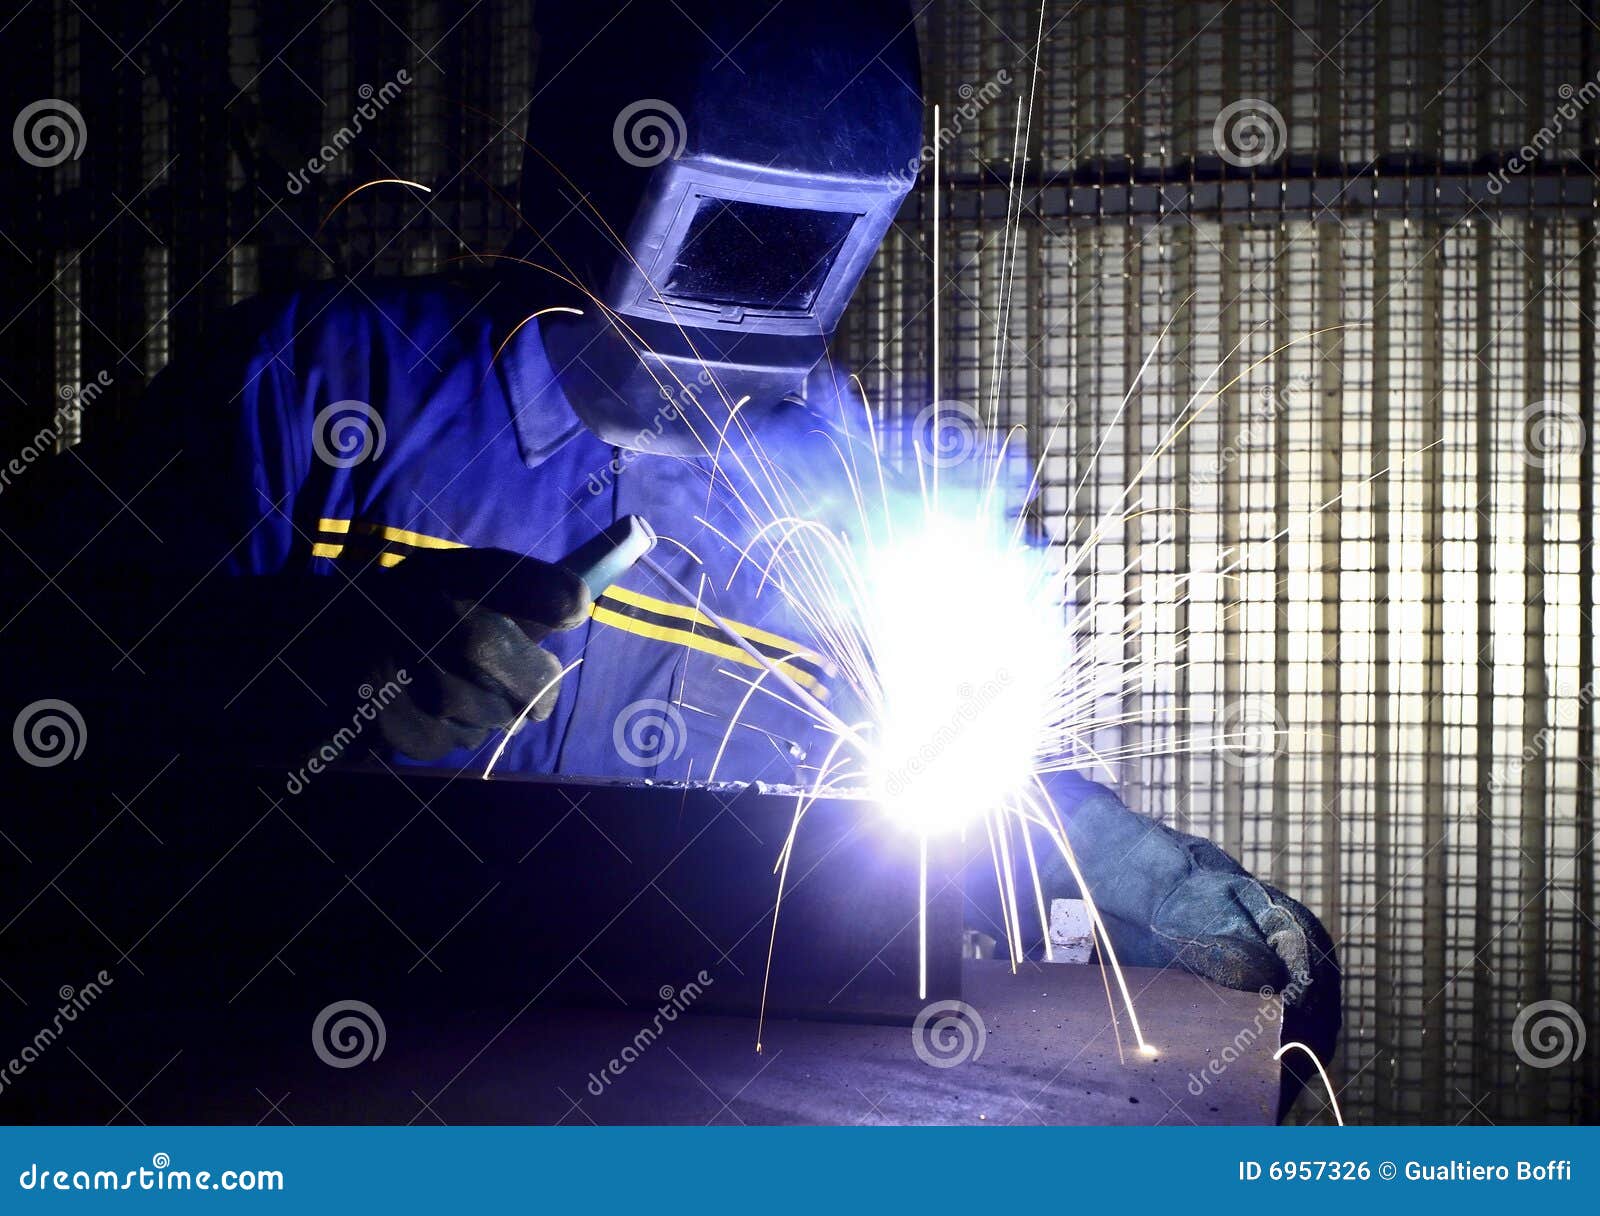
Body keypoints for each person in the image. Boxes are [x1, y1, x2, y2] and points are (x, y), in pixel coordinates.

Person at [0, 0, 1335, 1118]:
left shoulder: (855, 503)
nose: (742, 306)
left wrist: (1064, 842)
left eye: (795, 249)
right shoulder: (318, 385)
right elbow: (42, 681)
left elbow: (869, 820)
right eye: (726, 231)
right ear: (594, 175)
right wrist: (287, 661)